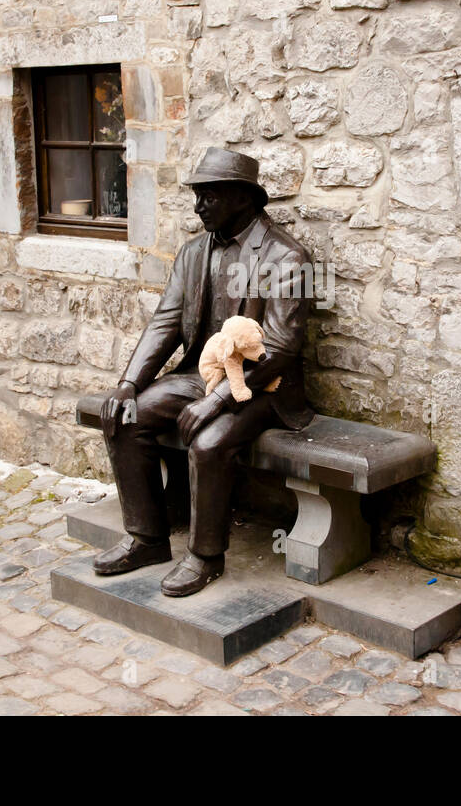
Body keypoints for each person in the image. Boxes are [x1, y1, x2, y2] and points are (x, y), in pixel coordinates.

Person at [96, 147, 315, 596]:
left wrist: (216, 401)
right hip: (202, 373)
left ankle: (205, 556)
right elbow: (165, 322)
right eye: (197, 197)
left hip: (264, 388)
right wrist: (128, 384)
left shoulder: (287, 257)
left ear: (242, 198)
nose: (198, 208)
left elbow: (279, 347)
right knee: (127, 416)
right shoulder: (195, 251)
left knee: (209, 440)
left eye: (209, 197)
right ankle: (147, 538)